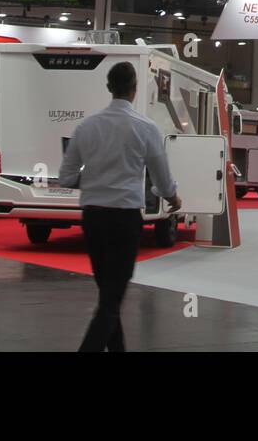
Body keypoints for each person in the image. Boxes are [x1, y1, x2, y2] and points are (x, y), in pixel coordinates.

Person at [59, 61, 181, 353]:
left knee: (108, 294)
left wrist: (93, 179)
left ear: (108, 87)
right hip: (125, 219)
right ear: (135, 88)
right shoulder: (146, 128)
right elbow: (162, 177)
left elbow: (66, 177)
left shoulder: (86, 127)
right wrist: (174, 198)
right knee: (112, 298)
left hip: (93, 217)